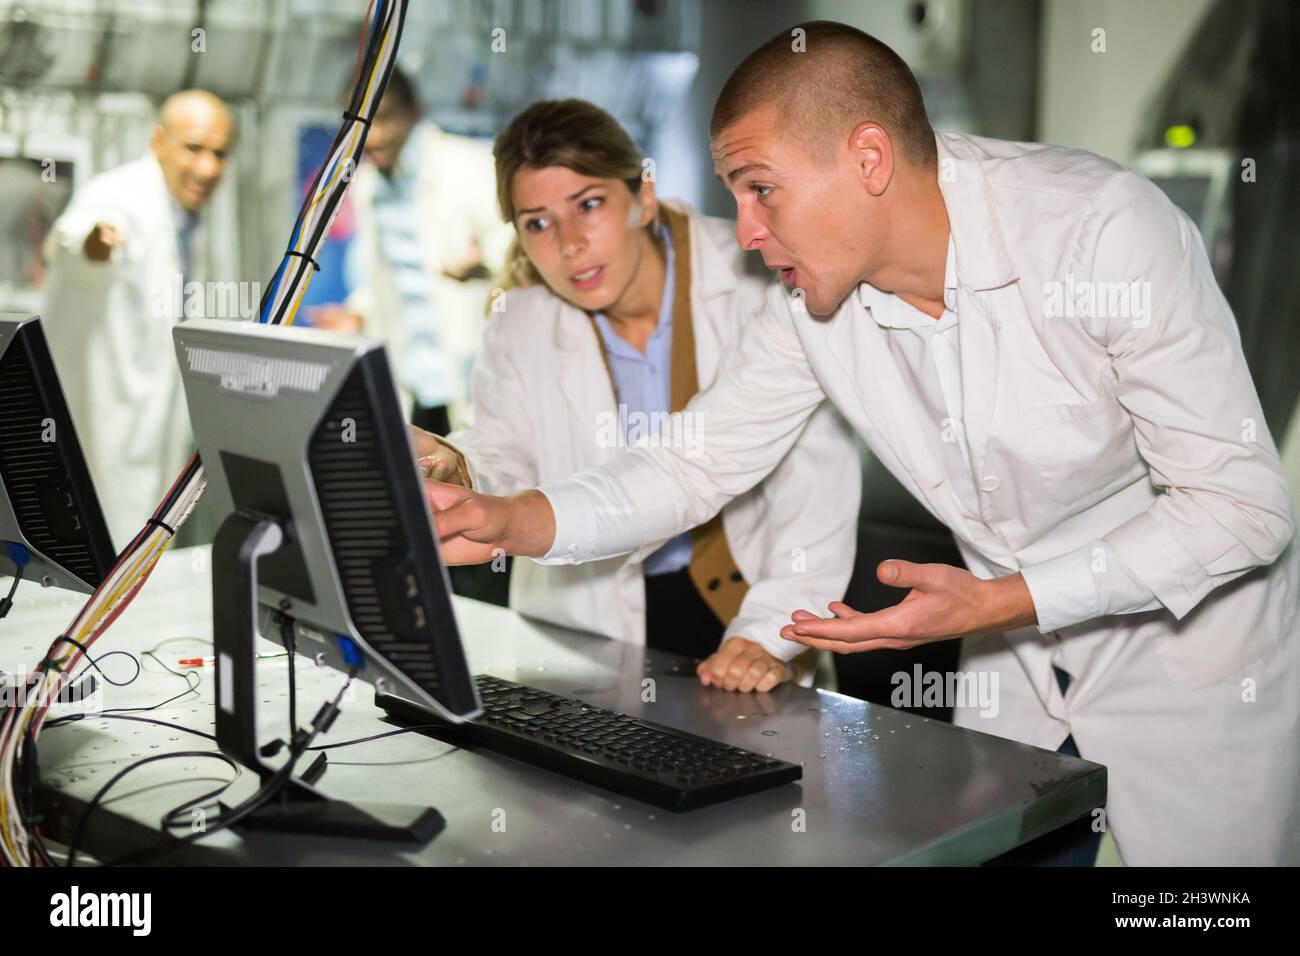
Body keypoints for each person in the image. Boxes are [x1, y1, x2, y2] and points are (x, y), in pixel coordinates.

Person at [423, 22, 1299, 865]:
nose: (748, 231)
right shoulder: (811, 308)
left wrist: (1002, 601)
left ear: (869, 158)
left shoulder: (1100, 232)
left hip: (1191, 662)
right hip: (1017, 664)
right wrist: (509, 517)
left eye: (761, 188)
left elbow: (1243, 508)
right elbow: (692, 461)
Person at [412, 100, 859, 691]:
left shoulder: (759, 276)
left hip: (742, 610)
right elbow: (504, 452)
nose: (569, 244)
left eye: (589, 205)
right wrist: (462, 470)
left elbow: (817, 487)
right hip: (585, 625)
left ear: (643, 195)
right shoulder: (518, 320)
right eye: (538, 223)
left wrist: (769, 632)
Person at [42, 89, 234, 546]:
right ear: (158, 142)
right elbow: (70, 243)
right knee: (93, 553)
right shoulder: (118, 194)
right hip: (102, 422)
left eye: (220, 153)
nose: (207, 168)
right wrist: (95, 243)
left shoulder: (186, 217)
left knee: (135, 555)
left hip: (154, 426)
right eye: (194, 148)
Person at [312, 67, 514, 434]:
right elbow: (376, 277)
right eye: (361, 124)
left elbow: (521, 259)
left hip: (473, 375)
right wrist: (356, 313)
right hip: (412, 381)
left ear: (414, 110)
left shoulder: (470, 165)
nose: (373, 137)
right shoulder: (369, 184)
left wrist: (483, 266)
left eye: (385, 117)